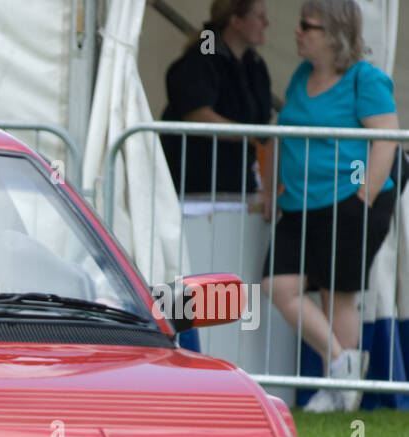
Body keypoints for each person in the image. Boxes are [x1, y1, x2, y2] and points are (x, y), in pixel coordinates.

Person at [261, 0, 401, 412]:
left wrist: (365, 197)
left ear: (336, 35)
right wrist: (269, 190)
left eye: (308, 26)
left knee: (336, 295)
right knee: (278, 285)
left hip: (350, 199)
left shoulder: (366, 79)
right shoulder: (302, 74)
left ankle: (340, 392)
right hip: (301, 202)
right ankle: (342, 369)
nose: (297, 31)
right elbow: (280, 132)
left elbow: (387, 138)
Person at [160, 0, 273, 196]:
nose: (266, 23)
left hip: (238, 184)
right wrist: (252, 135)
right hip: (196, 188)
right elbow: (198, 116)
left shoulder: (254, 65)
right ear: (236, 21)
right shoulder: (200, 58)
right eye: (260, 16)